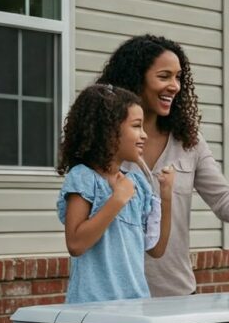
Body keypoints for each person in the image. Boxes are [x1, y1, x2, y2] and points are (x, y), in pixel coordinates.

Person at [97, 36, 229, 296]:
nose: (174, 86)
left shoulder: (189, 141)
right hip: (113, 293)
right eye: (164, 76)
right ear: (136, 78)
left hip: (175, 292)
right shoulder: (102, 139)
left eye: (178, 78)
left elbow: (223, 197)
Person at [57, 84, 174, 303]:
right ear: (108, 131)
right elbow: (76, 244)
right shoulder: (83, 177)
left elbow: (156, 249)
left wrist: (166, 197)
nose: (144, 135)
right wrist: (117, 199)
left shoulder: (137, 182)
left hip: (135, 305)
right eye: (137, 126)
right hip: (92, 308)